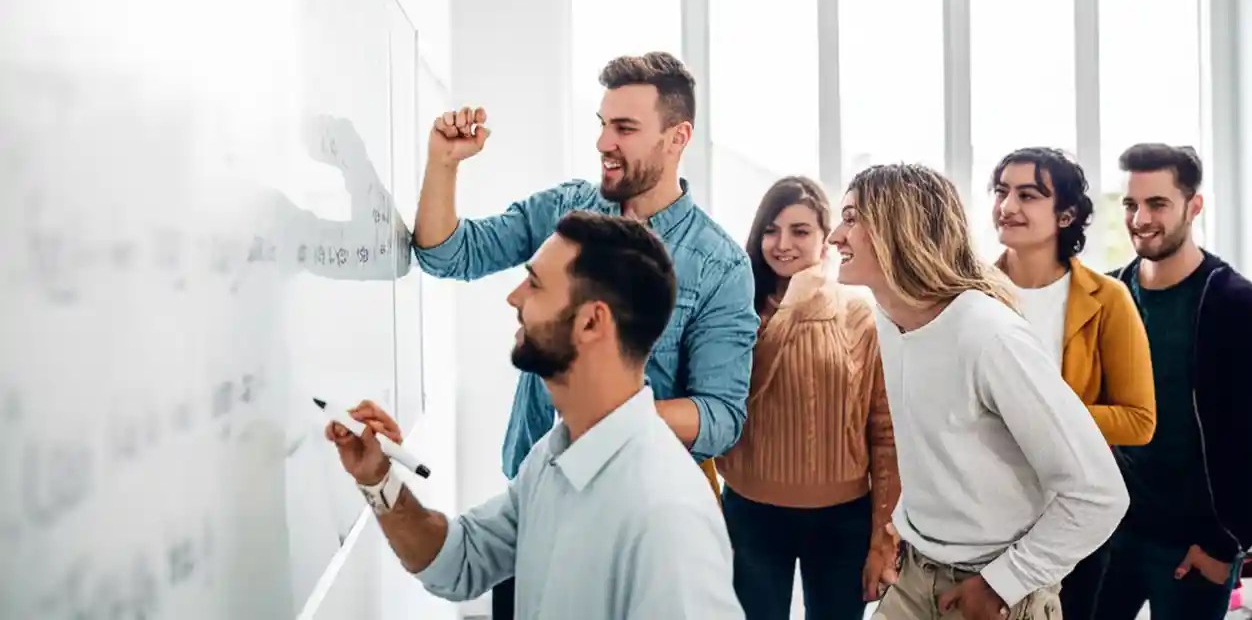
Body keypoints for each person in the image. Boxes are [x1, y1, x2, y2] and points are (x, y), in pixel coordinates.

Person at [410, 52, 756, 617]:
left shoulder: (719, 265)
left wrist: (602, 425)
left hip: (624, 512)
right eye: (602, 124)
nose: (604, 143)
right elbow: (448, 255)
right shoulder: (567, 211)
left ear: (677, 136)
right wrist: (443, 164)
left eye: (625, 128)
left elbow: (720, 418)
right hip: (532, 499)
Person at [325, 212, 744, 619]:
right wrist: (377, 477)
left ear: (591, 322)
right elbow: (458, 561)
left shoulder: (667, 513)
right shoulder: (552, 455)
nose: (515, 297)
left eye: (535, 284)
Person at [828, 163, 1129, 620]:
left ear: (898, 229)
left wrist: (1001, 584)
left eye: (851, 219)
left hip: (997, 588)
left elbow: (1100, 494)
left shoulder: (990, 336)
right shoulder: (891, 318)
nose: (834, 236)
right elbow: (938, 444)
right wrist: (902, 522)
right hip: (916, 572)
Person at [1095, 143, 1252, 619]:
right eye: (1131, 204)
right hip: (1111, 532)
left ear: (1194, 206)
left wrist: (1224, 544)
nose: (1140, 219)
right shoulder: (1108, 295)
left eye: (1158, 204)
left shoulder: (1235, 303)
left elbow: (1250, 435)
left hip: (1195, 543)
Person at [715, 176, 901, 619]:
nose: (783, 244)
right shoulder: (737, 310)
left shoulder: (859, 315)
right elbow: (730, 399)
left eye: (800, 231)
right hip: (751, 512)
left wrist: (883, 537)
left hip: (843, 518)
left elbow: (885, 434)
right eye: (771, 230)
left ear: (825, 240)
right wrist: (790, 307)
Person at [989, 147, 1156, 619]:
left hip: (1072, 518)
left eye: (1027, 195)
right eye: (1001, 192)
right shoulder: (968, 293)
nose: (1007, 206)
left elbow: (1138, 421)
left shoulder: (1109, 300)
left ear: (1065, 215)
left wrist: (1039, 413)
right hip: (984, 514)